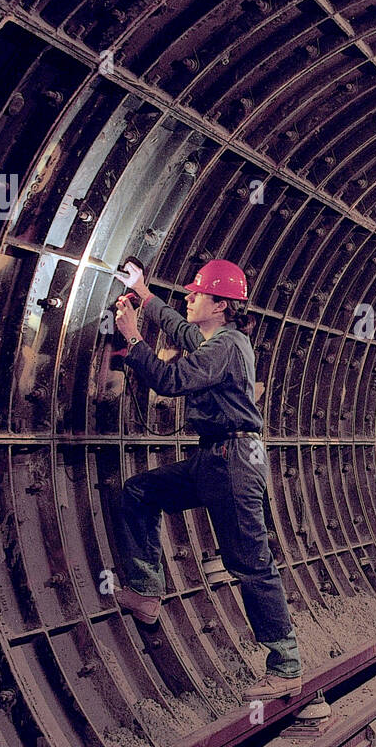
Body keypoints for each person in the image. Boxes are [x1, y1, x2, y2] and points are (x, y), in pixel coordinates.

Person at [110, 258, 303, 701]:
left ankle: (286, 664)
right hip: (215, 457)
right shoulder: (216, 338)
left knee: (250, 562)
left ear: (220, 305)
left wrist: (133, 338)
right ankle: (146, 591)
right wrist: (142, 292)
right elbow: (180, 330)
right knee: (139, 493)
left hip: (233, 459)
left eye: (197, 294)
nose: (188, 297)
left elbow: (172, 379)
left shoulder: (227, 346)